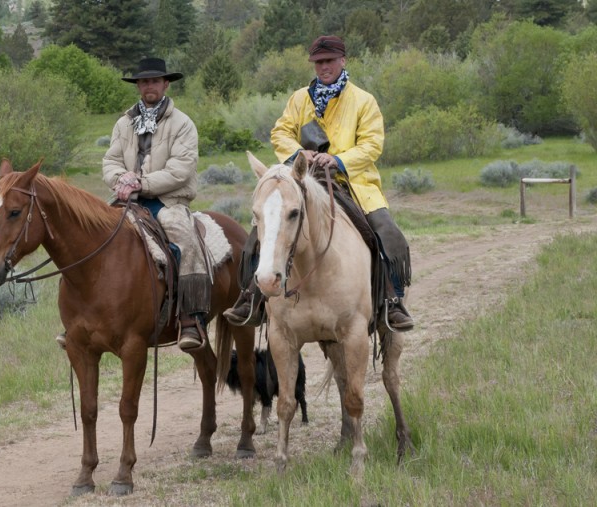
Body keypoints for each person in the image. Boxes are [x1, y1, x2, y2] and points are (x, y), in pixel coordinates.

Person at [223, 35, 414, 331]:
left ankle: (391, 300)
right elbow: (280, 133)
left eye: (329, 61)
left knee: (386, 232)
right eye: (319, 62)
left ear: (343, 61)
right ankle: (251, 297)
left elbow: (372, 144)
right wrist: (300, 154)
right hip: (302, 180)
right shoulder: (300, 98)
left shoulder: (363, 101)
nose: (324, 67)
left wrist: (337, 160)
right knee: (261, 231)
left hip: (352, 183)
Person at [102, 57, 209, 351]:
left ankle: (190, 318)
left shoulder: (182, 124)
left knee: (185, 238)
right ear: (138, 86)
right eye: (143, 81)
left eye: (154, 81)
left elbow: (181, 169)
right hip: (127, 199)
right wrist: (121, 178)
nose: (149, 86)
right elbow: (110, 160)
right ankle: (87, 315)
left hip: (168, 200)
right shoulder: (124, 123)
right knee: (93, 234)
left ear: (165, 84)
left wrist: (142, 182)